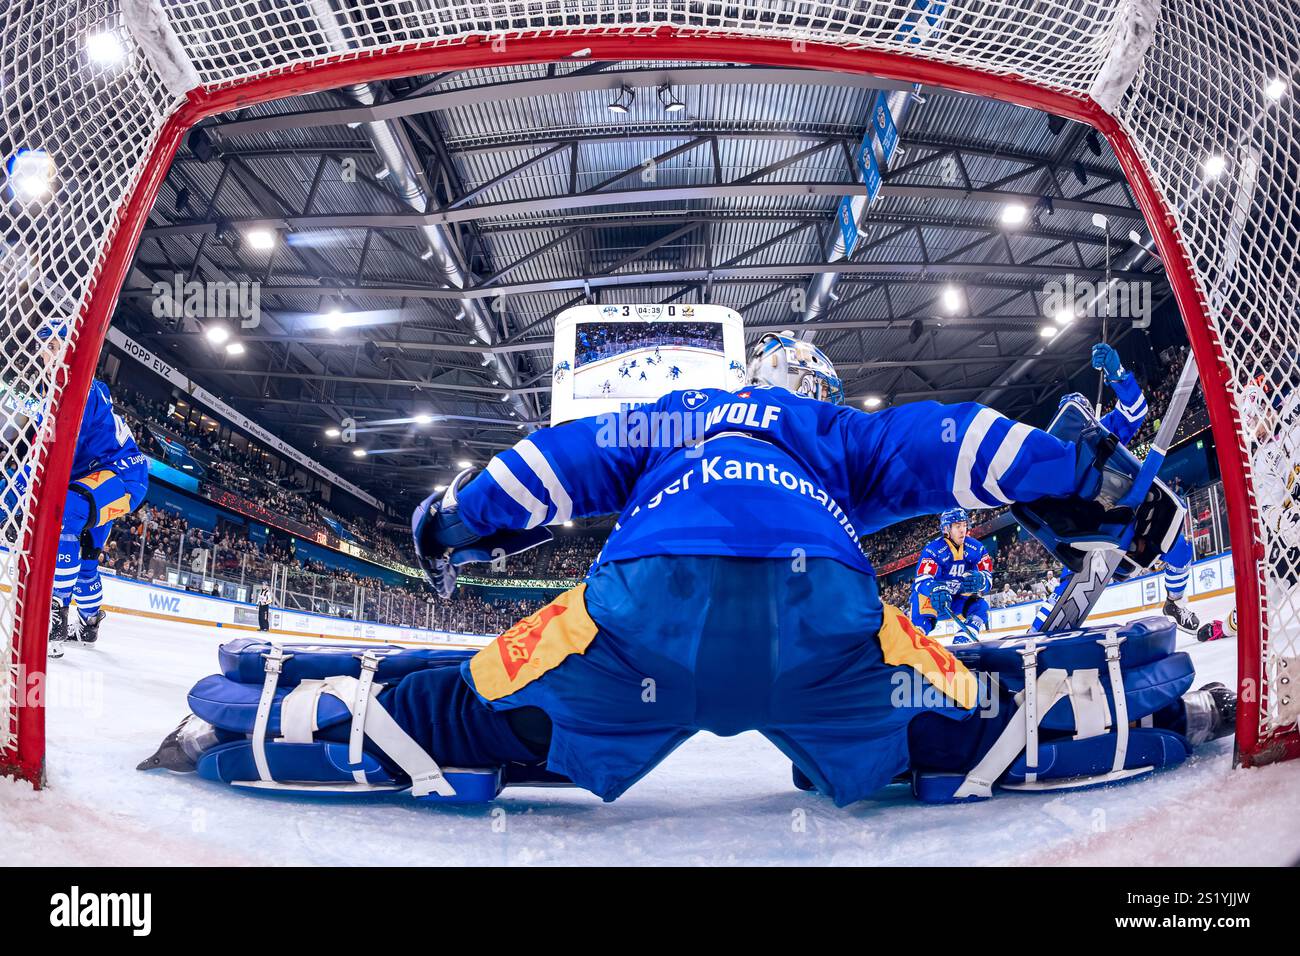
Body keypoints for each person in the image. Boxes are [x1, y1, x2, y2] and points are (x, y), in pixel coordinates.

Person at [145, 330, 1234, 806]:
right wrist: (1085, 477)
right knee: (939, 707)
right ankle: (1099, 709)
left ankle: (291, 719)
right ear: (814, 383)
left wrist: (452, 524)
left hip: (640, 605)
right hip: (825, 610)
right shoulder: (831, 434)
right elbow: (951, 441)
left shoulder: (686, 415)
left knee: (476, 709)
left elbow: (556, 466)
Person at [1031, 343, 1200, 632]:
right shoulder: (1052, 454)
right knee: (1070, 585)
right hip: (1088, 528)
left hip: (1132, 515)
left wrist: (1117, 373)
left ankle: (1175, 601)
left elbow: (1135, 411)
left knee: (1180, 551)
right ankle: (1036, 634)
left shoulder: (1104, 430)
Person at [909, 508, 993, 642]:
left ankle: (965, 636)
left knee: (981, 607)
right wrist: (935, 589)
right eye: (957, 526)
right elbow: (921, 581)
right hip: (934, 601)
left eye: (964, 525)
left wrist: (982, 580)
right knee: (919, 626)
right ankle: (917, 637)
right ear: (946, 529)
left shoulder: (978, 548)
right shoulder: (932, 549)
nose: (962, 530)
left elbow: (988, 578)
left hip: (958, 601)